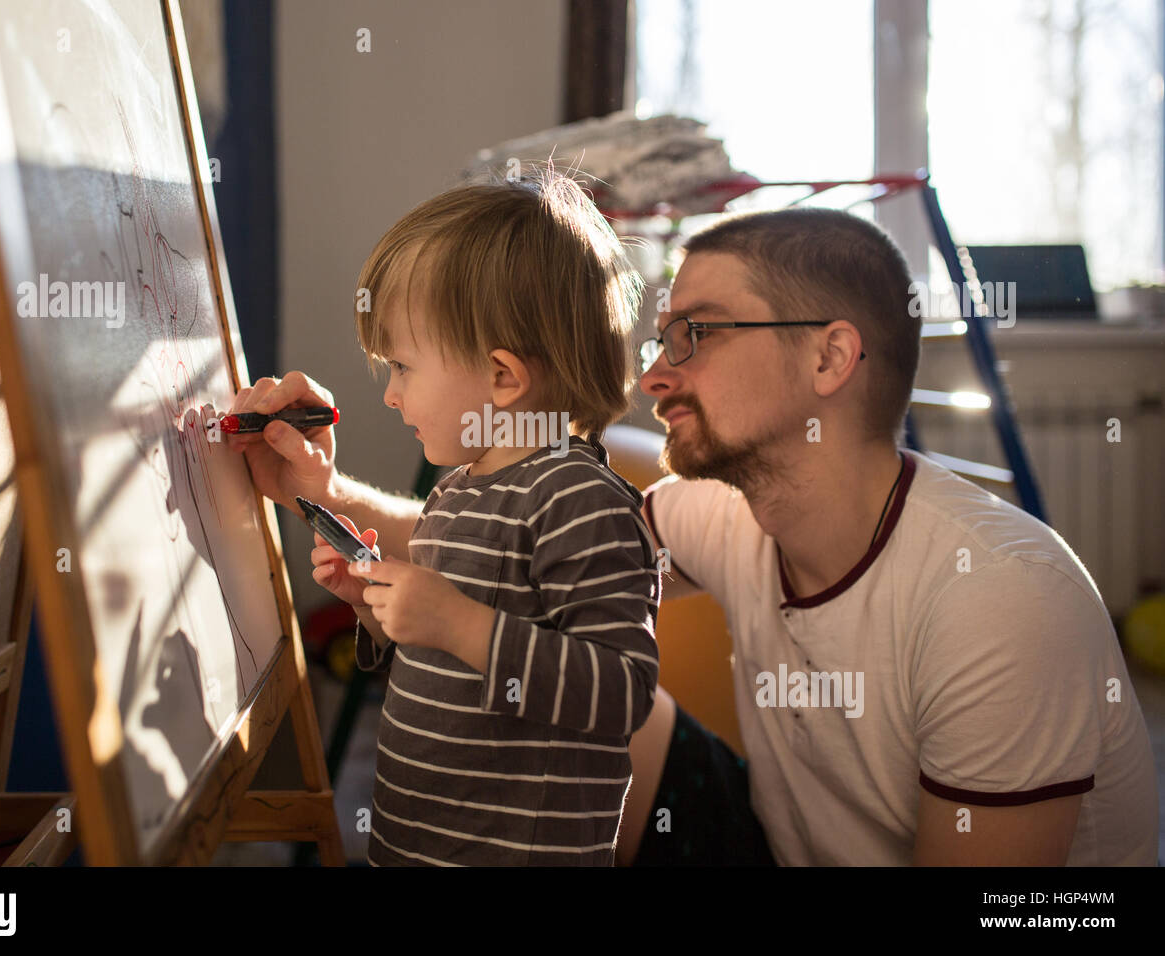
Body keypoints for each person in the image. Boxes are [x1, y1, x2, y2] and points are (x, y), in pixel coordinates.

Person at [230, 204, 1158, 866]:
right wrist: (317, 489)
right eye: (659, 340)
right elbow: (504, 552)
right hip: (768, 832)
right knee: (581, 695)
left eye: (697, 336)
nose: (655, 378)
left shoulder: (997, 597)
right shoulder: (729, 508)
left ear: (830, 356)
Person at [227, 172, 659, 865]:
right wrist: (377, 610)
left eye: (401, 367)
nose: (392, 396)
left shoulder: (581, 502)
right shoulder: (461, 493)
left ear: (503, 378)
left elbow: (622, 693)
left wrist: (457, 622)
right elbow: (449, 663)